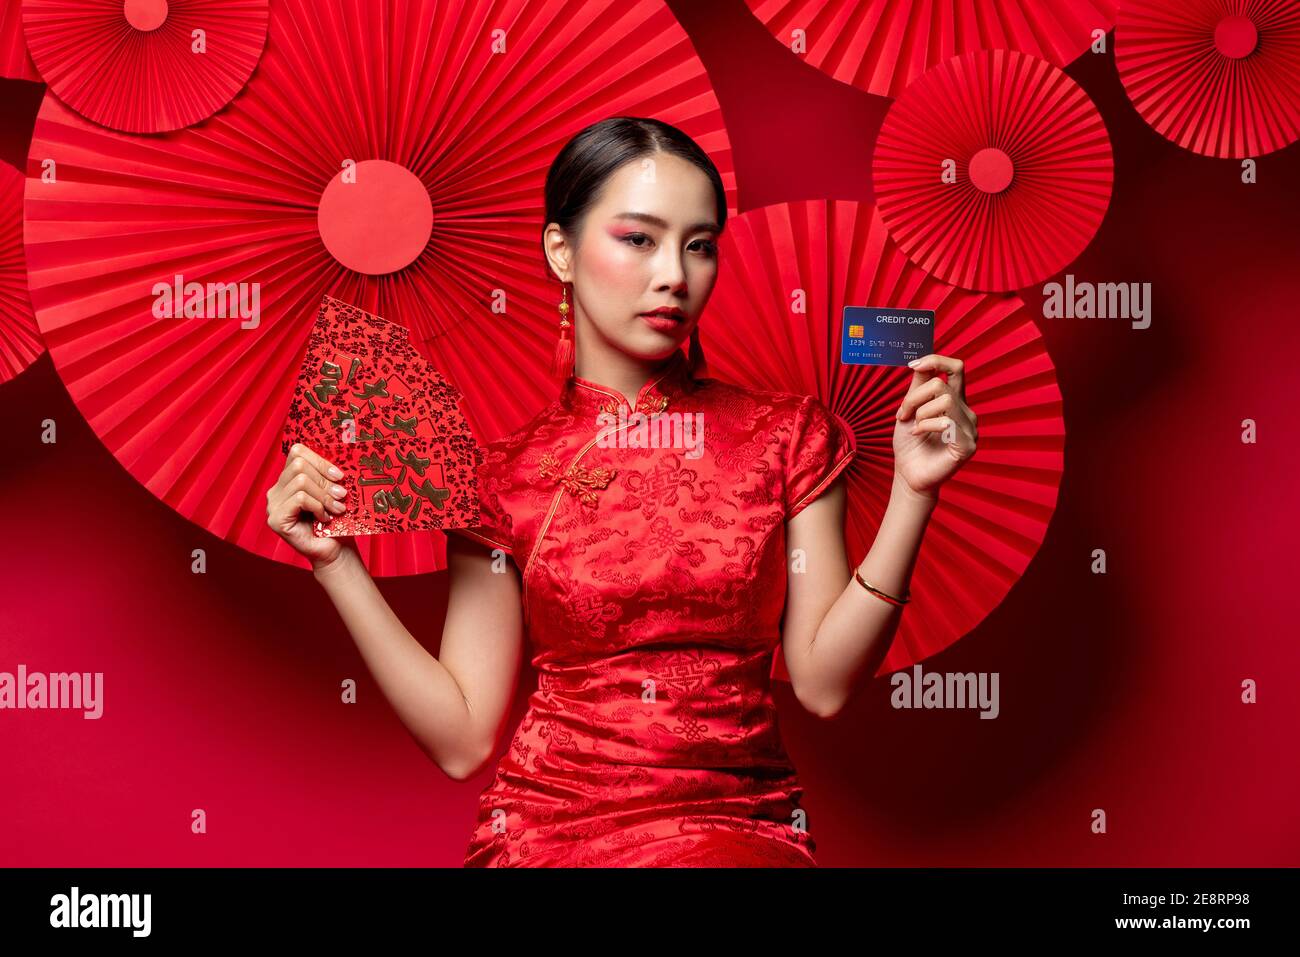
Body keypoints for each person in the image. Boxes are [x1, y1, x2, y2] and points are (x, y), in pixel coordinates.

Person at [266, 116, 977, 867]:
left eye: (698, 245)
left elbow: (826, 685)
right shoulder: (505, 474)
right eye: (638, 239)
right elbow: (463, 735)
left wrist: (913, 493)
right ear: (560, 250)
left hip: (739, 830)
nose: (674, 272)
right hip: (546, 833)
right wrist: (335, 563)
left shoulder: (788, 436)